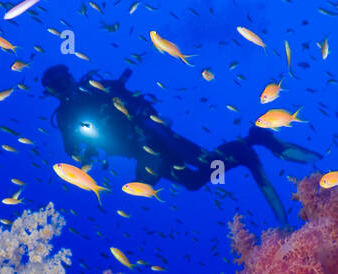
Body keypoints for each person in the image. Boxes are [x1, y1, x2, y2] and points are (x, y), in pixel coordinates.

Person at [41, 64, 320, 226]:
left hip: (153, 135)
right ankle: (250, 142)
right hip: (140, 151)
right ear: (52, 91)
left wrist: (142, 117)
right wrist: (83, 155)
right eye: (58, 85)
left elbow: (135, 99)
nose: (64, 87)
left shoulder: (97, 89)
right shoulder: (65, 117)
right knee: (193, 180)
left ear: (67, 78)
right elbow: (75, 151)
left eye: (63, 80)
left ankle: (252, 142)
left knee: (201, 165)